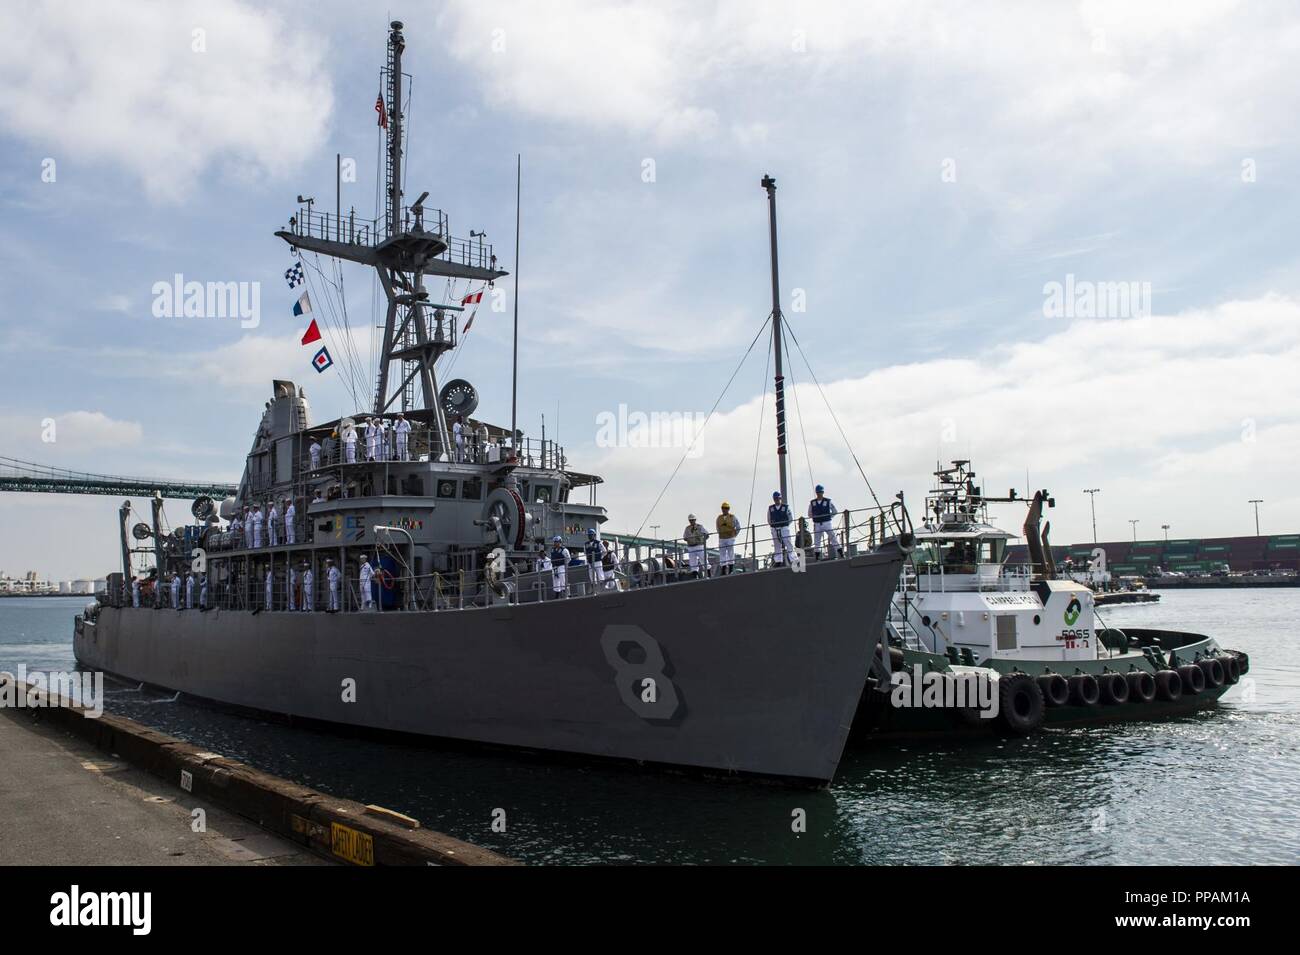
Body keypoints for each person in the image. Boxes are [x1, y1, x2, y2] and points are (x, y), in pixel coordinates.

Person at [809, 484, 840, 560]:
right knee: (817, 541)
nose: (819, 494)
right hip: (817, 524)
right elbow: (809, 514)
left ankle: (840, 553)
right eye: (818, 492)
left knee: (833, 538)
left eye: (820, 492)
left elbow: (835, 511)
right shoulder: (812, 503)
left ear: (823, 492)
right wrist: (815, 517)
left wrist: (829, 517)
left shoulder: (828, 501)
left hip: (827, 523)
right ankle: (817, 556)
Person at [768, 491, 793, 566]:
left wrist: (785, 525)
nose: (777, 500)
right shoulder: (771, 508)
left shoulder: (786, 507)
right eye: (775, 498)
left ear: (780, 498)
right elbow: (769, 519)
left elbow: (790, 518)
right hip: (775, 528)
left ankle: (793, 559)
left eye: (778, 498)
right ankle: (778, 561)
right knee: (777, 545)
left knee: (788, 542)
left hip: (784, 527)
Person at [716, 501, 739, 575]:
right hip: (722, 538)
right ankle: (723, 569)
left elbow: (738, 527)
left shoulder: (732, 517)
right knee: (722, 554)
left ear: (728, 509)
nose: (724, 509)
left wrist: (734, 535)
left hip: (730, 538)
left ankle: (731, 569)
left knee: (730, 553)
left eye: (726, 508)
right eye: (723, 508)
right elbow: (717, 527)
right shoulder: (719, 518)